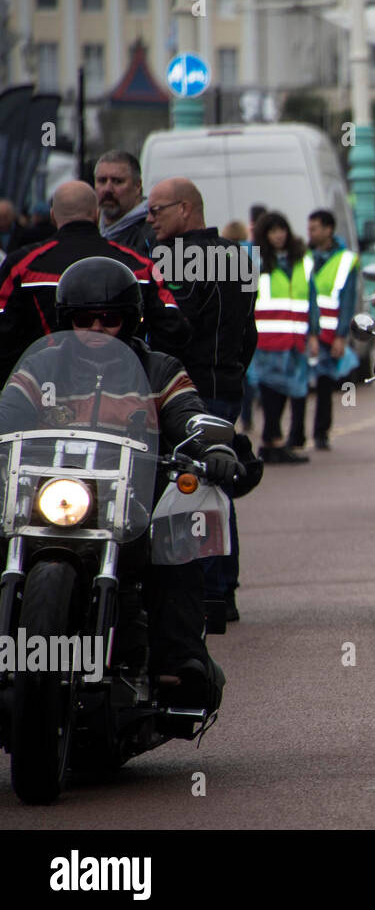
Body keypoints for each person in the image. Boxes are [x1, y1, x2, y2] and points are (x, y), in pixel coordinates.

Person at [0, 257, 239, 709]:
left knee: (176, 537)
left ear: (129, 320)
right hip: (43, 504)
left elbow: (186, 412)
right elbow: (9, 409)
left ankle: (179, 661)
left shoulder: (158, 369)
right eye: (84, 318)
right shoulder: (41, 367)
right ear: (65, 319)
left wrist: (213, 446)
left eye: (108, 318)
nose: (96, 327)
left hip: (129, 510)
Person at [147, 177, 259, 621]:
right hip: (226, 383)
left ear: (186, 210)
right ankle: (219, 590)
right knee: (217, 482)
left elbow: (176, 326)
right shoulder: (238, 257)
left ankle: (205, 591)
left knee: (193, 484)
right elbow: (249, 331)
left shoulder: (177, 259)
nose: (149, 218)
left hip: (187, 389)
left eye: (157, 210)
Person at [0, 180, 190, 383]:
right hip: (124, 388)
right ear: (97, 214)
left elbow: (3, 335)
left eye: (108, 319)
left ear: (54, 216)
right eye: (82, 320)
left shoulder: (21, 266)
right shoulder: (140, 265)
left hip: (45, 388)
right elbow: (174, 330)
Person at [249, 211, 315, 465]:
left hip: (295, 337)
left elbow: (312, 298)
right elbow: (246, 299)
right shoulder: (255, 261)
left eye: (282, 229)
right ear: (264, 234)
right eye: (273, 230)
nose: (279, 235)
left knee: (291, 390)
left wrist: (315, 333)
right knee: (270, 391)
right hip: (267, 338)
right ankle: (272, 441)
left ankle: (275, 441)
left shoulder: (301, 260)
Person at [302, 208, 359, 450]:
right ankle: (296, 434)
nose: (310, 233)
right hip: (301, 331)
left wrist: (341, 337)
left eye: (314, 228)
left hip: (327, 334)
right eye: (309, 228)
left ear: (328, 230)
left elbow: (347, 302)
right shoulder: (303, 256)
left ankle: (321, 433)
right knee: (299, 385)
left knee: (324, 385)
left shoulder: (346, 260)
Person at [94, 150, 152, 257]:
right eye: (102, 181)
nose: (107, 189)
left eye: (117, 181)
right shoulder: (89, 230)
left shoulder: (151, 234)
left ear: (137, 186)